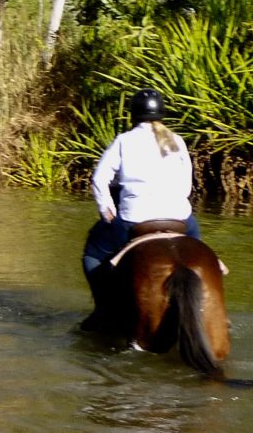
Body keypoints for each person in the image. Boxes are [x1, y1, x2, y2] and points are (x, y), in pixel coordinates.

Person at [82, 88, 200, 286]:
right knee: (199, 253)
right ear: (161, 113)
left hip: (134, 218)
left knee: (92, 255)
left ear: (133, 114)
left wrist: (107, 210)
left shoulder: (124, 141)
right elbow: (186, 187)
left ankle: (104, 306)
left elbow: (99, 179)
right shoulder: (177, 140)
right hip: (178, 217)